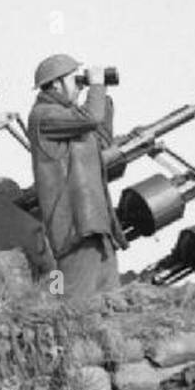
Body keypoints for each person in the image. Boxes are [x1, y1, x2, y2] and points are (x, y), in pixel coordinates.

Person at [27, 54, 121, 297]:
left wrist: (101, 92)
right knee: (76, 310)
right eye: (75, 80)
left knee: (110, 305)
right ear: (56, 84)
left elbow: (101, 138)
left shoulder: (70, 119)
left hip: (97, 229)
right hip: (75, 231)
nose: (80, 85)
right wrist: (96, 86)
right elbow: (91, 118)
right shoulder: (44, 115)